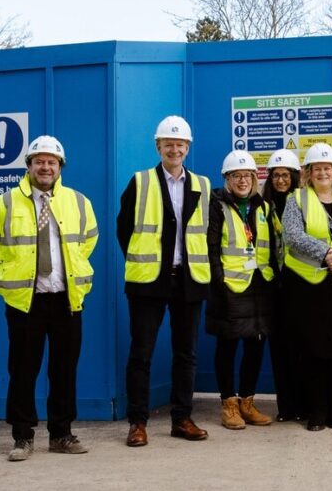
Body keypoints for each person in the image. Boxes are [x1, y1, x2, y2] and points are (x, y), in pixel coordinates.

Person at [0, 136, 97, 461]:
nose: (46, 167)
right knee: (23, 369)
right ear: (29, 166)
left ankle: (61, 434)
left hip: (66, 299)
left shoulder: (78, 202)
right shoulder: (3, 204)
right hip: (24, 301)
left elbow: (87, 243)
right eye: (39, 161)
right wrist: (13, 275)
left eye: (52, 162)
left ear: (60, 167)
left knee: (64, 369)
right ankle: (22, 436)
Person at [117, 115, 211, 447]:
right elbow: (124, 229)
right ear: (158, 146)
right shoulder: (140, 181)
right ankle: (137, 422)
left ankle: (182, 418)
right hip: (149, 281)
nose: (174, 148)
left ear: (188, 147)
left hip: (189, 279)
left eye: (180, 144)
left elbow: (207, 233)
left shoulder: (202, 184)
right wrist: (146, 260)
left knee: (187, 353)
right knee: (141, 353)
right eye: (168, 143)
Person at [283, 143, 332, 431]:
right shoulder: (297, 198)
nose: (322, 173)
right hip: (308, 284)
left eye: (327, 168)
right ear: (308, 172)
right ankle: (317, 410)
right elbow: (292, 235)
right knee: (313, 348)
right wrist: (328, 253)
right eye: (316, 168)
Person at [206, 150, 275, 431]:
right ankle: (228, 404)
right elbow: (210, 248)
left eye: (247, 175)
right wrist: (218, 281)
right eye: (236, 176)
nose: (243, 180)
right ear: (227, 179)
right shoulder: (216, 205)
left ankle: (247, 401)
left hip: (260, 285)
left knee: (255, 345)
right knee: (227, 345)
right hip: (230, 286)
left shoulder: (264, 207)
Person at [262, 149, 302, 422]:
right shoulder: (262, 206)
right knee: (278, 348)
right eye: (275, 175)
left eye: (285, 175)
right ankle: (286, 407)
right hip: (271, 285)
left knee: (299, 346)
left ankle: (303, 403)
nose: (280, 180)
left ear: (294, 177)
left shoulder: (302, 203)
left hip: (299, 283)